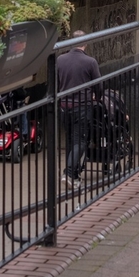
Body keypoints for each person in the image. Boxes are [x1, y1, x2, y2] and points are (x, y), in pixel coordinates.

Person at [56, 30, 101, 188]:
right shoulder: (90, 62)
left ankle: (74, 176)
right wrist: (97, 97)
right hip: (82, 106)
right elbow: (98, 85)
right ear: (86, 43)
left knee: (70, 140)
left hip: (64, 107)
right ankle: (68, 173)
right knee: (81, 141)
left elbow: (56, 84)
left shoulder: (60, 60)